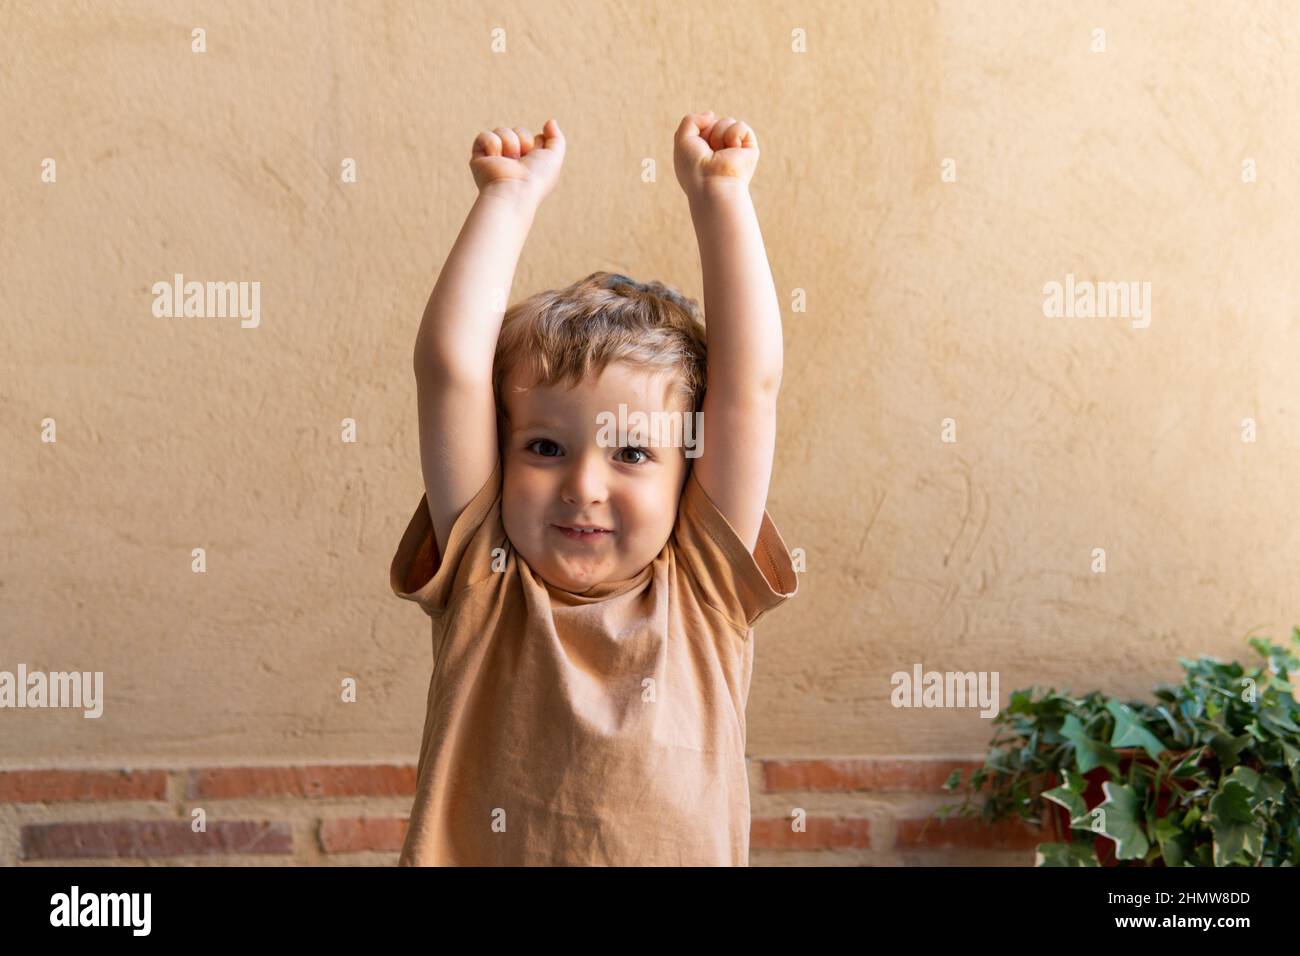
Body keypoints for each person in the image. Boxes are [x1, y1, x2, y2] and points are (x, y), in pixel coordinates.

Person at [390, 112, 798, 865]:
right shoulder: (488, 571)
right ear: (503, 454)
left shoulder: (705, 581)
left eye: (633, 453)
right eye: (545, 446)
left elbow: (750, 388)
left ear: (691, 468)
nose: (584, 485)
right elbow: (449, 370)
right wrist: (506, 199)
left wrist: (721, 196)